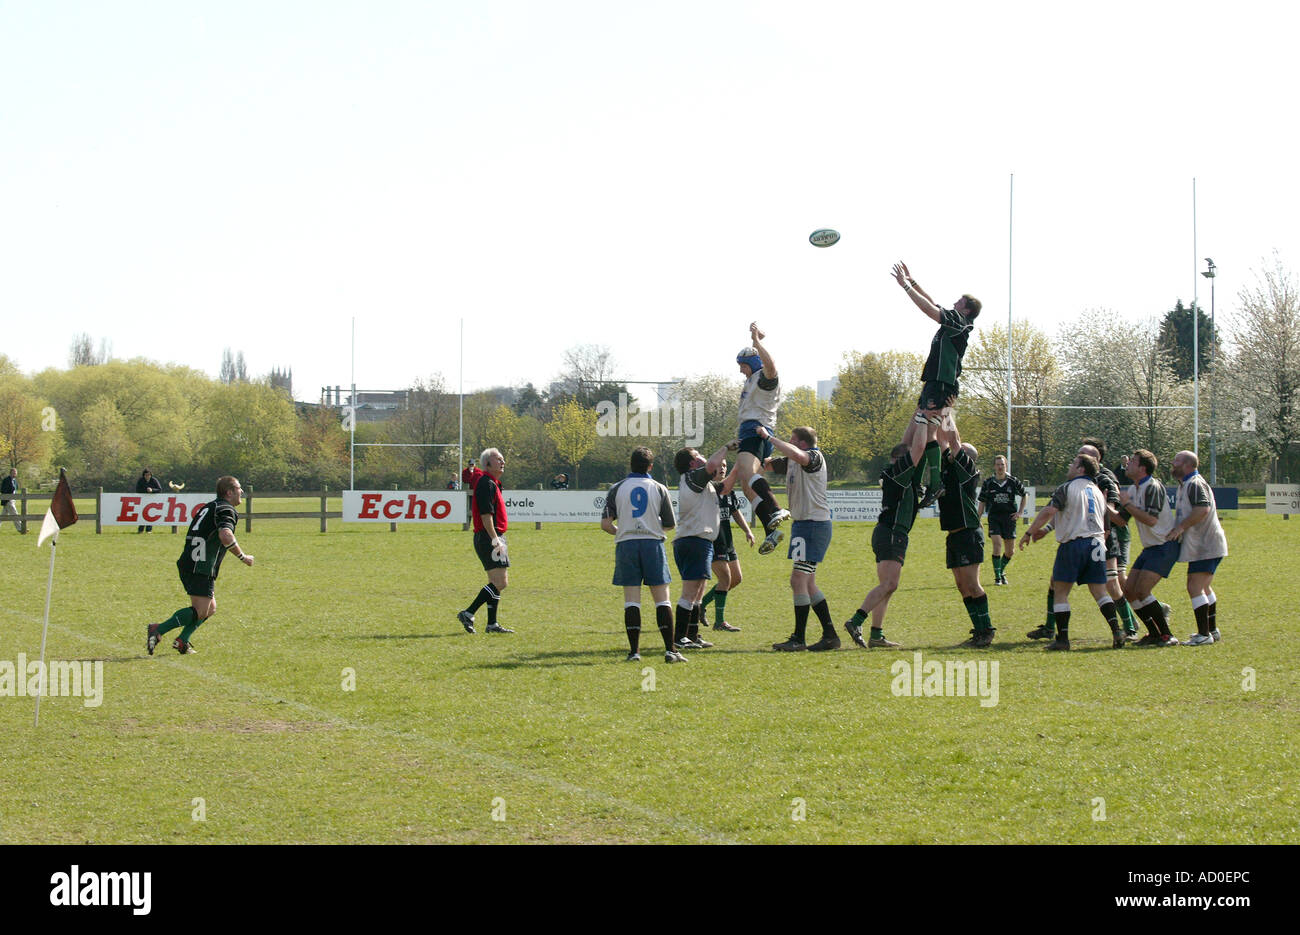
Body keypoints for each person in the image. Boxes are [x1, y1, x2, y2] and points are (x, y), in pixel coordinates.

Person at [843, 410, 940, 649]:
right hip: (892, 533)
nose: (915, 463)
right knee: (889, 585)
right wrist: (924, 419)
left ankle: (877, 635)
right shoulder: (899, 472)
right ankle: (856, 621)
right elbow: (916, 448)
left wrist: (919, 414)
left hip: (888, 532)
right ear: (900, 460)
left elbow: (909, 443)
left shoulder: (898, 470)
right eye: (910, 459)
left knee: (887, 586)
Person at [891, 261, 981, 507]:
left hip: (941, 385)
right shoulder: (955, 321)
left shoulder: (958, 322)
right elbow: (934, 304)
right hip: (938, 384)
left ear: (966, 309)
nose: (954, 303)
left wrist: (905, 287)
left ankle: (930, 484)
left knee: (927, 431)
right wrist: (913, 281)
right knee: (933, 433)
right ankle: (925, 482)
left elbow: (930, 310)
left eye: (959, 301)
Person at [1018, 454, 1127, 651]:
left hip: (1073, 545)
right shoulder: (1096, 491)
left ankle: (1063, 640)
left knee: (1060, 592)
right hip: (1096, 544)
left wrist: (1029, 532)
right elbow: (1106, 525)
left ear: (1081, 469)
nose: (1069, 465)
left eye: (1073, 463)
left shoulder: (1066, 488)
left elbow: (1049, 511)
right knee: (1100, 592)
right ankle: (1117, 631)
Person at [146, 475, 254, 656]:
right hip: (200, 566)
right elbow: (225, 535)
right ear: (229, 492)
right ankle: (158, 629)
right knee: (201, 610)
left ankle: (182, 640)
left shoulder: (210, 506)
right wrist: (243, 557)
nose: (241, 491)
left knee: (210, 608)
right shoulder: (226, 509)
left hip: (192, 562)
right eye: (238, 488)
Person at [601, 446, 683, 663]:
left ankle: (634, 652)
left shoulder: (616, 488)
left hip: (626, 546)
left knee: (631, 600)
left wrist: (624, 531)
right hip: (652, 545)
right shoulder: (658, 488)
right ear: (651, 466)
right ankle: (670, 650)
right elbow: (669, 524)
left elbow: (606, 524)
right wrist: (651, 530)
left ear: (630, 465)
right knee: (662, 599)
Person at [762, 426, 839, 652]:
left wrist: (768, 437)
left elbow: (798, 456)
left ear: (803, 443)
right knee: (807, 582)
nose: (789, 442)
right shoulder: (792, 461)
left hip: (814, 525)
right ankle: (830, 635)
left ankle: (799, 638)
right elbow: (766, 465)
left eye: (792, 439)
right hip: (802, 525)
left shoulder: (813, 457)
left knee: (798, 580)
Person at [718, 322, 790, 555]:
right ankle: (771, 530)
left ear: (753, 364)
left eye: (743, 365)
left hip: (757, 430)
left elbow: (770, 365)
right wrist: (754, 340)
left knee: (749, 475)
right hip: (748, 432)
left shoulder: (764, 378)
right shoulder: (752, 379)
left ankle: (776, 508)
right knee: (747, 487)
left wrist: (757, 342)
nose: (741, 370)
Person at [670, 443, 733, 651]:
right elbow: (713, 463)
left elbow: (726, 486)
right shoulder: (693, 478)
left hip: (699, 541)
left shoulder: (702, 483)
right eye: (699, 456)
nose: (704, 458)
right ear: (692, 463)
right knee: (690, 592)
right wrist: (725, 447)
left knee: (698, 592)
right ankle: (680, 637)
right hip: (694, 541)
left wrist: (746, 461)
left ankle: (692, 634)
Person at [938, 429, 995, 647]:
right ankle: (978, 631)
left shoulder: (967, 470)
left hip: (968, 532)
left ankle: (987, 629)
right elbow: (943, 442)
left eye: (956, 452)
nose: (951, 454)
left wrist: (947, 415)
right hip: (953, 535)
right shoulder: (951, 468)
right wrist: (936, 419)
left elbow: (952, 440)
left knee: (972, 584)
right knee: (962, 586)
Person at [1117, 449, 1180, 646]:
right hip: (1150, 548)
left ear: (1142, 468)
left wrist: (1126, 505)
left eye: (1133, 462)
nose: (1128, 464)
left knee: (1142, 590)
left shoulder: (1152, 486)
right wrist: (1104, 505)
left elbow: (1151, 520)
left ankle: (1167, 635)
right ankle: (1153, 633)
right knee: (1129, 591)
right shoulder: (1134, 490)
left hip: (1164, 546)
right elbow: (1120, 521)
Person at [1168, 450, 1228, 646]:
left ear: (1187, 465)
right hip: (1206, 544)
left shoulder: (1194, 483)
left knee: (1194, 586)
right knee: (1203, 586)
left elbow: (1202, 509)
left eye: (1176, 461)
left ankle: (1204, 635)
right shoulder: (1188, 483)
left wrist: (1180, 528)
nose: (1173, 463)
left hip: (1206, 544)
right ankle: (1211, 630)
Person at [457, 448, 513, 634]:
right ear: (487, 464)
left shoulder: (492, 483)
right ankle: (469, 612)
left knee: (494, 581)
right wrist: (495, 539)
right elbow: (485, 514)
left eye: (503, 459)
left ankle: (492, 624)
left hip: (490, 535)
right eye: (498, 459)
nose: (502, 462)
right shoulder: (486, 484)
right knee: (501, 582)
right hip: (489, 536)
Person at [699, 459, 755, 633]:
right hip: (713, 542)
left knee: (736, 579)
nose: (722, 468)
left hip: (727, 542)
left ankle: (701, 605)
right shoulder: (705, 490)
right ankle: (720, 622)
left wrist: (748, 531)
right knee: (725, 580)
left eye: (724, 466)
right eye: (719, 466)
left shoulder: (727, 490)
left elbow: (735, 512)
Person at [978, 454, 1027, 585]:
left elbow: (1024, 495)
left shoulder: (1013, 481)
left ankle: (1001, 571)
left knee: (1010, 551)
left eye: (1002, 464)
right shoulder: (988, 483)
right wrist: (978, 519)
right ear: (994, 466)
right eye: (998, 464)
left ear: (1006, 466)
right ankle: (997, 577)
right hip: (994, 517)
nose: (1000, 467)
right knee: (997, 544)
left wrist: (1020, 512)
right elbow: (982, 501)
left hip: (1009, 518)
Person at [135, 468, 162, 533]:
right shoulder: (141, 480)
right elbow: (137, 490)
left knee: (150, 514)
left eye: (149, 475)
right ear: (143, 475)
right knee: (142, 514)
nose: (147, 476)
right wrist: (146, 490)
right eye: (146, 475)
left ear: (151, 475)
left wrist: (152, 490)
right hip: (142, 500)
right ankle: (140, 530)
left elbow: (159, 489)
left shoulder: (154, 480)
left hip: (152, 500)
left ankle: (149, 530)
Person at [1, 467, 22, 533]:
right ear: (10, 473)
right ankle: (21, 528)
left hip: (12, 500)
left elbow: (15, 489)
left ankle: (21, 528)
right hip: (8, 500)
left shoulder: (14, 480)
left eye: (15, 473)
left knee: (3, 516)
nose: (14, 474)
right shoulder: (6, 480)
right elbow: (2, 490)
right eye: (13, 473)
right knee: (15, 514)